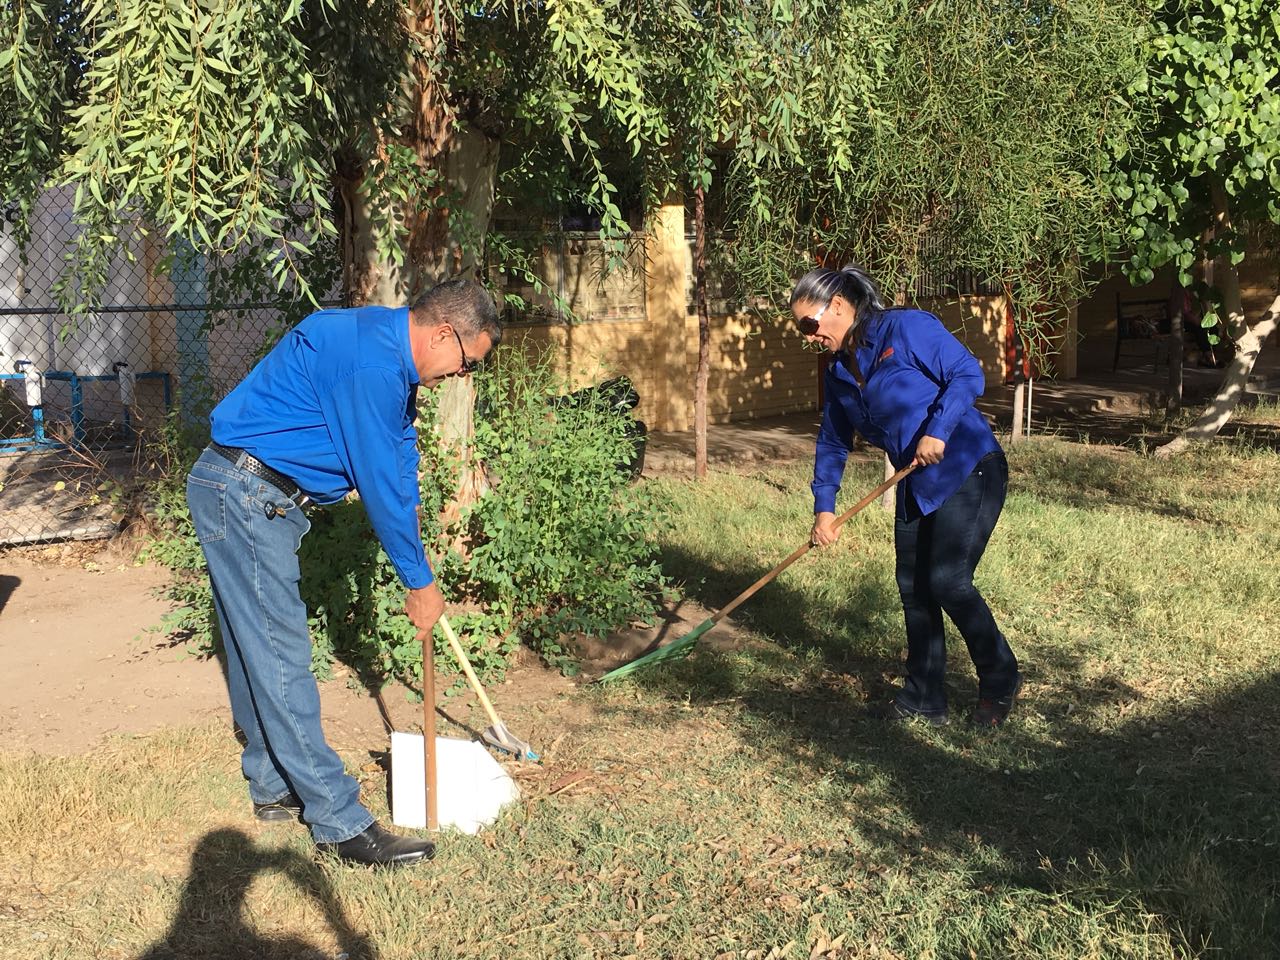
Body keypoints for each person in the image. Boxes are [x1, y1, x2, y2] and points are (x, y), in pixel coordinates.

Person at [186, 279, 502, 866]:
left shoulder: (385, 351)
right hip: (247, 493)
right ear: (442, 334)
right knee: (279, 652)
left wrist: (417, 545)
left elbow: (398, 456)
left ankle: (272, 784)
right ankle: (340, 822)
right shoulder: (373, 366)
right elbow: (377, 482)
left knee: (254, 645)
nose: (463, 375)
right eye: (467, 362)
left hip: (241, 489)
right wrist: (419, 582)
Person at [791, 265, 1021, 727]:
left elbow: (966, 374)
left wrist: (938, 430)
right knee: (913, 588)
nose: (809, 337)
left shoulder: (906, 328)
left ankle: (1000, 679)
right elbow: (833, 443)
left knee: (948, 581)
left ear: (839, 305)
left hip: (967, 465)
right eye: (802, 330)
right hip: (914, 481)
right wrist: (824, 510)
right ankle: (924, 697)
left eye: (809, 325)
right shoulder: (839, 373)